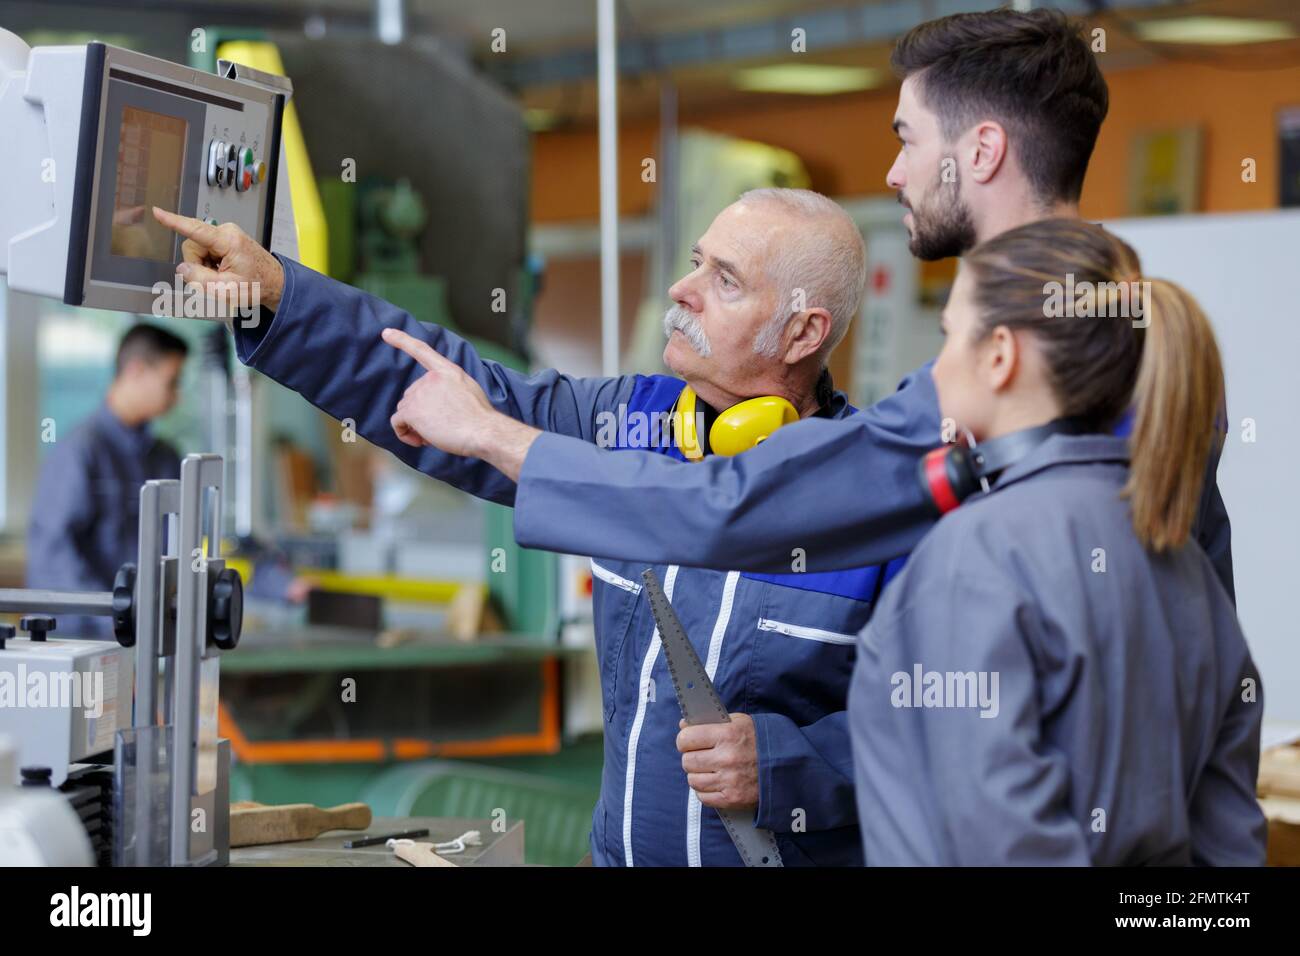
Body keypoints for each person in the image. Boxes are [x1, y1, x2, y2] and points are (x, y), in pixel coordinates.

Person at [308, 8, 1234, 604]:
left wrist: (498, 439)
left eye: (908, 140)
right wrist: (279, 300)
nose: (892, 172)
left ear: (982, 152)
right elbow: (1209, 643)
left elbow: (731, 509)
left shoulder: (1003, 372)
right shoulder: (1148, 334)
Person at [154, 188, 910, 866]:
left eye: (726, 281)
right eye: (695, 263)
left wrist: (785, 764)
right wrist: (281, 297)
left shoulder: (875, 505)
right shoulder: (627, 425)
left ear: (804, 333)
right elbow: (440, 385)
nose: (681, 291)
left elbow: (933, 725)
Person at [846, 218, 1264, 865]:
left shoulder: (974, 554)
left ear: (1000, 356)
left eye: (948, 336)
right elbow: (1230, 840)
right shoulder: (1183, 560)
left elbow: (998, 845)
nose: (934, 369)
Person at [27, 323, 187, 638]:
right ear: (137, 371)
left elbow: (187, 547)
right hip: (83, 642)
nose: (177, 396)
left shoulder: (166, 457)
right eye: (172, 382)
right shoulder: (79, 452)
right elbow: (52, 556)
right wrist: (118, 616)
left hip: (146, 639)